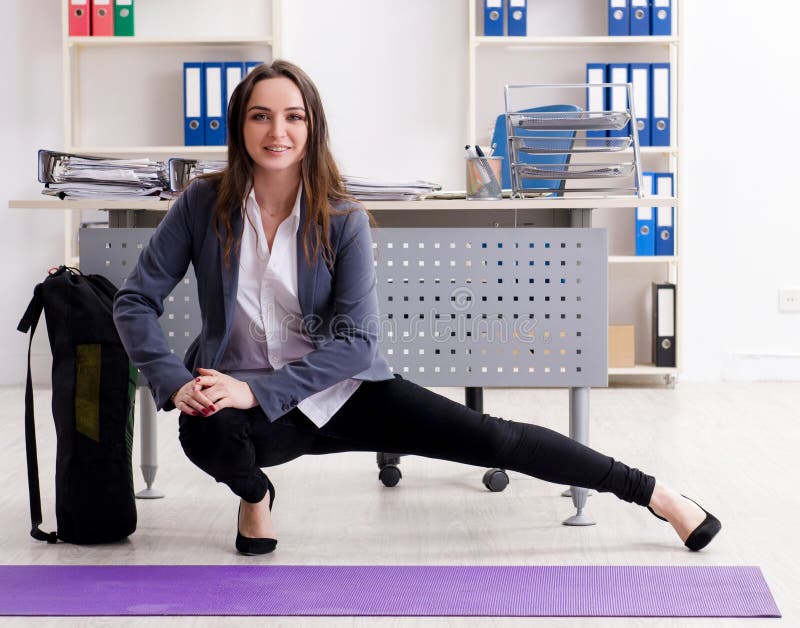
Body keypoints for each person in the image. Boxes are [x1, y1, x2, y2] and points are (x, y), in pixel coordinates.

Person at [113, 59, 721, 556]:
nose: (278, 131)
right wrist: (174, 381)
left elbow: (356, 343)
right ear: (240, 127)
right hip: (249, 402)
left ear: (312, 127)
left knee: (497, 440)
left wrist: (260, 393)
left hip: (347, 390)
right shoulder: (203, 204)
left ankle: (657, 496)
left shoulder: (341, 216)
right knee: (204, 432)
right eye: (261, 116)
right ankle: (255, 496)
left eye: (293, 117)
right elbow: (136, 299)